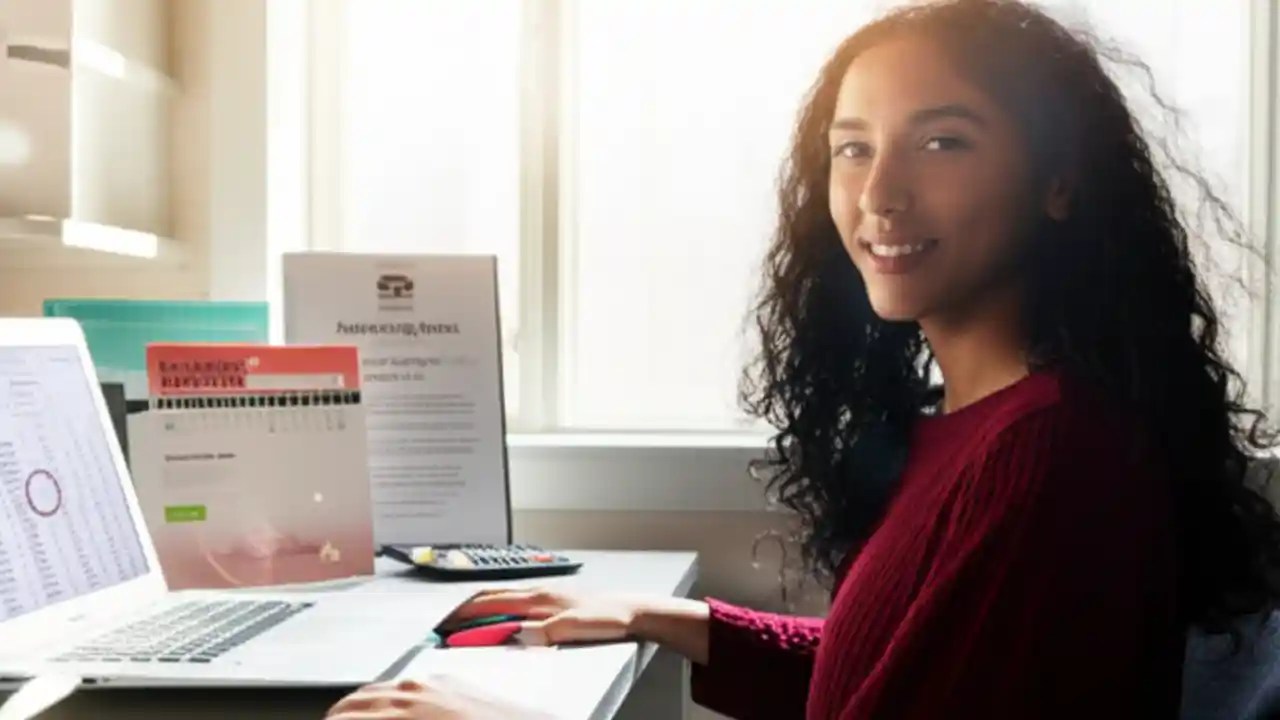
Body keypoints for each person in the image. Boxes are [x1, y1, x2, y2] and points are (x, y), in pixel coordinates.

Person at [325, 0, 1280, 717]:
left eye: (943, 141)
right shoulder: (978, 420)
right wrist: (663, 616)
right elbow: (887, 673)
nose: (881, 195)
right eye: (853, 150)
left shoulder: (1048, 456)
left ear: (1061, 182)